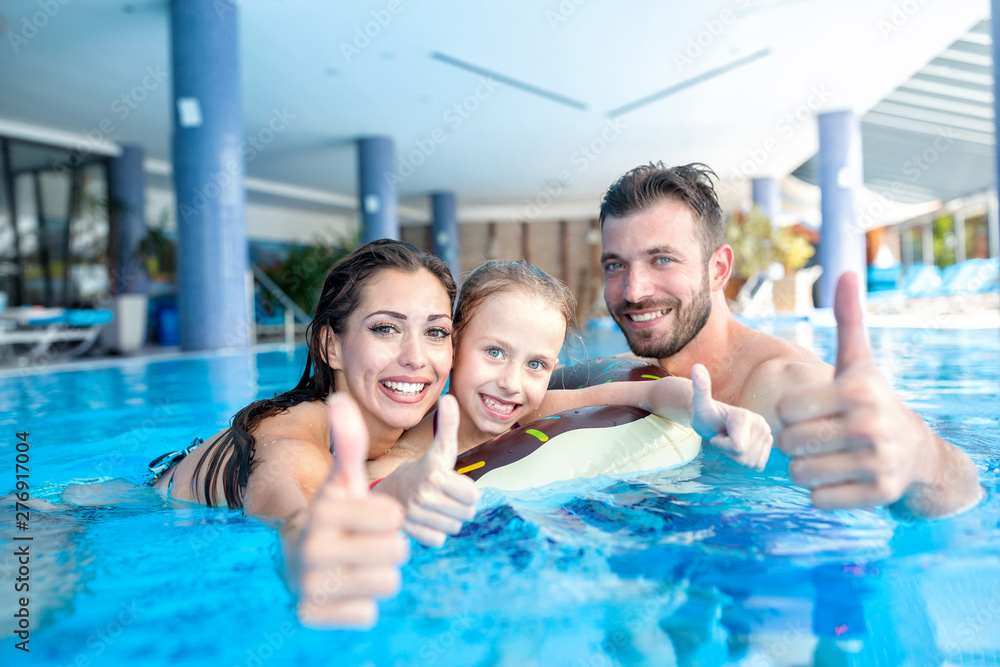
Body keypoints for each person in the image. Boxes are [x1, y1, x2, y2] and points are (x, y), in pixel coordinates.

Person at [597, 162, 982, 519]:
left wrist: (922, 456)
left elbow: (959, 486)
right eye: (616, 265)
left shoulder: (780, 386)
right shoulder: (630, 371)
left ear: (718, 270)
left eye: (662, 259)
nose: (633, 291)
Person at [151, 239, 479, 625]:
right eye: (386, 328)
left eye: (436, 332)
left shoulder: (418, 422)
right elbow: (293, 506)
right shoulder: (296, 440)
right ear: (331, 345)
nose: (416, 357)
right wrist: (312, 550)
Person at [369, 259, 773, 478]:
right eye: (494, 353)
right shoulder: (402, 456)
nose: (511, 383)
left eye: (536, 364)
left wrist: (712, 414)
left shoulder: (535, 410)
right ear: (452, 345)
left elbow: (645, 392)